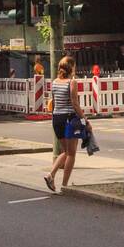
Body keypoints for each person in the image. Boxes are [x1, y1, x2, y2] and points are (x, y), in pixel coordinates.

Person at [44, 56, 86, 192]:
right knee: (72, 154)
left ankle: (51, 175)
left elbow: (54, 102)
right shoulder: (72, 82)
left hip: (57, 119)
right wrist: (85, 120)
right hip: (70, 119)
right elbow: (75, 103)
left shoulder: (55, 82)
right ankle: (64, 185)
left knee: (65, 151)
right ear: (71, 68)